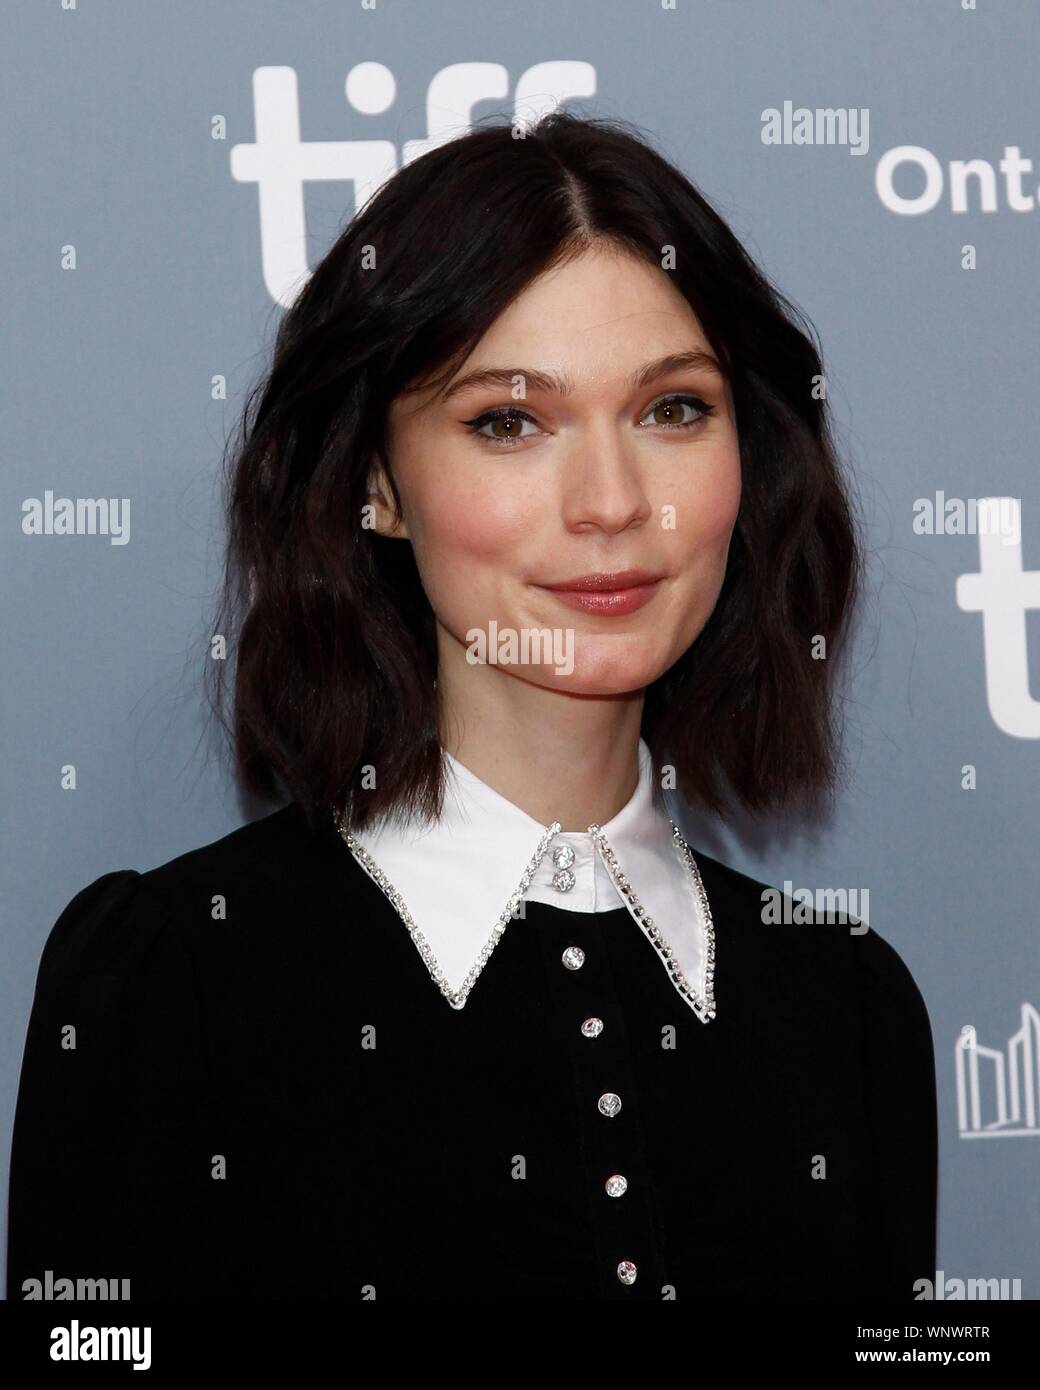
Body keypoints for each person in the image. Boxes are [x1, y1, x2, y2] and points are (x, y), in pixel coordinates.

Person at [6, 111, 937, 1300]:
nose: (611, 501)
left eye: (672, 409)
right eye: (508, 420)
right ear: (375, 487)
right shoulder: (175, 979)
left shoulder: (844, 1008)